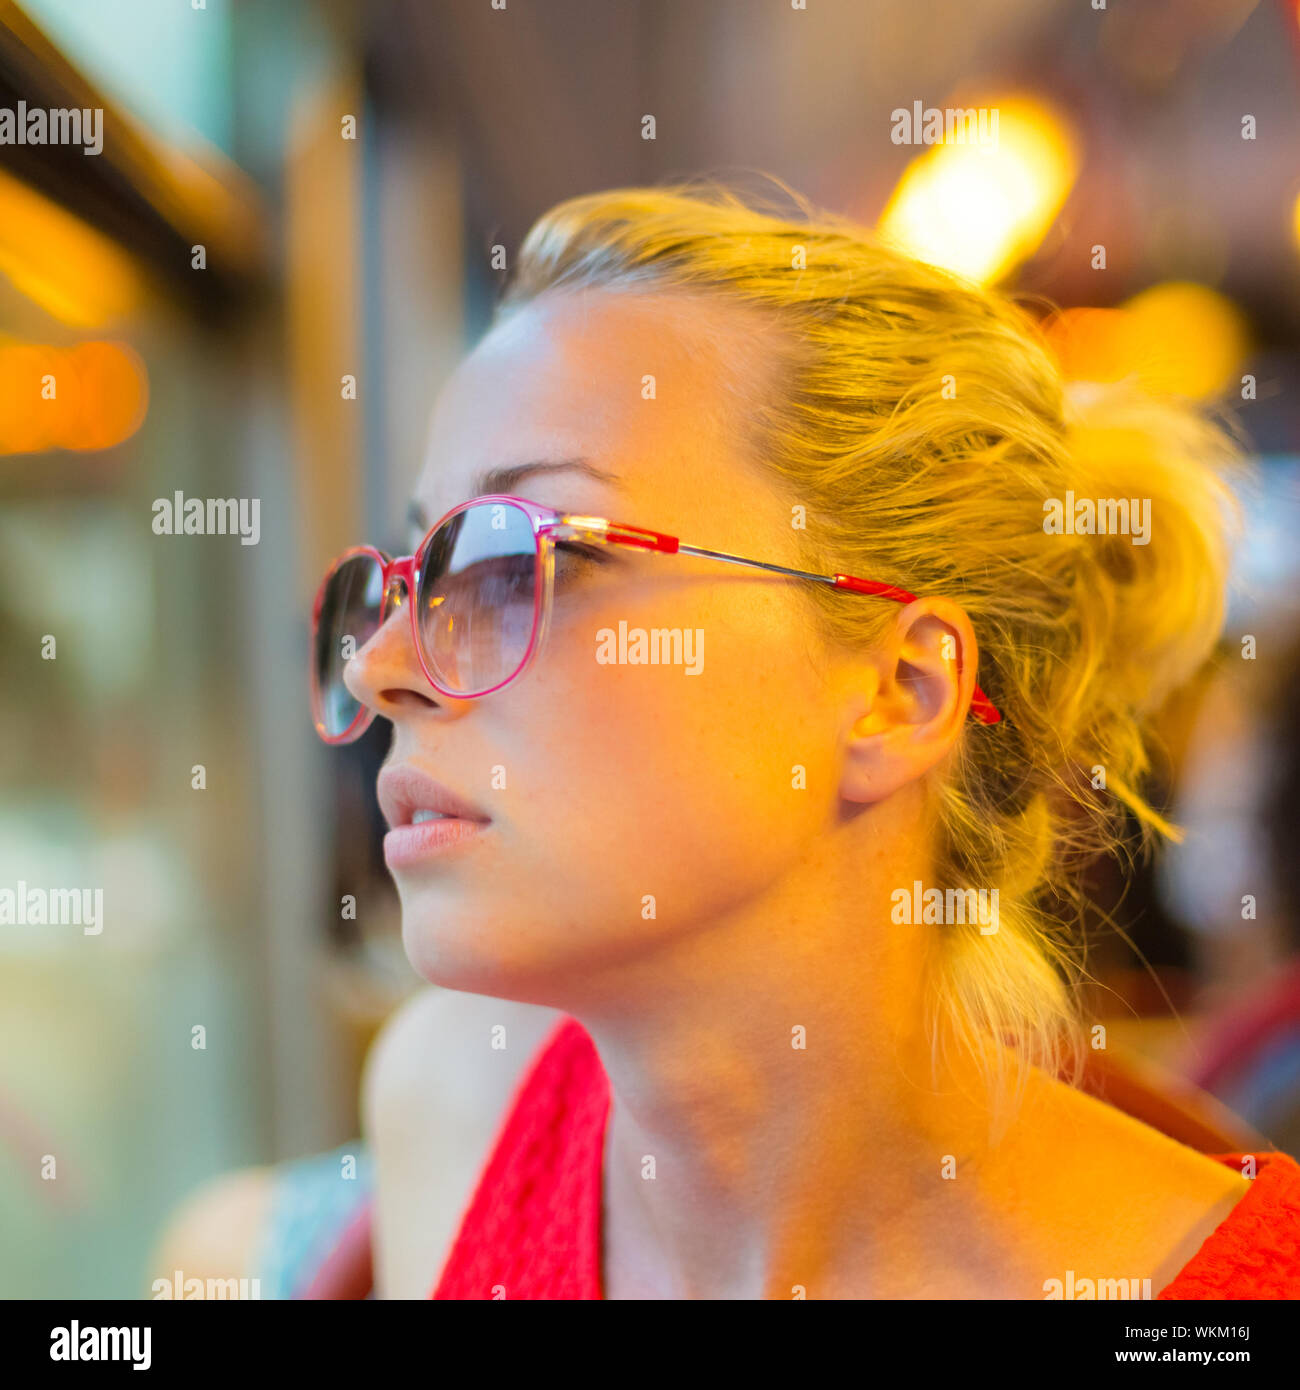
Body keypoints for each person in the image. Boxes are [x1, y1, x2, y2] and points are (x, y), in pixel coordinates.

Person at [163, 181, 1300, 1299]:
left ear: (900, 691)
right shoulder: (459, 1098)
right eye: (414, 573)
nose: (379, 664)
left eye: (517, 561)